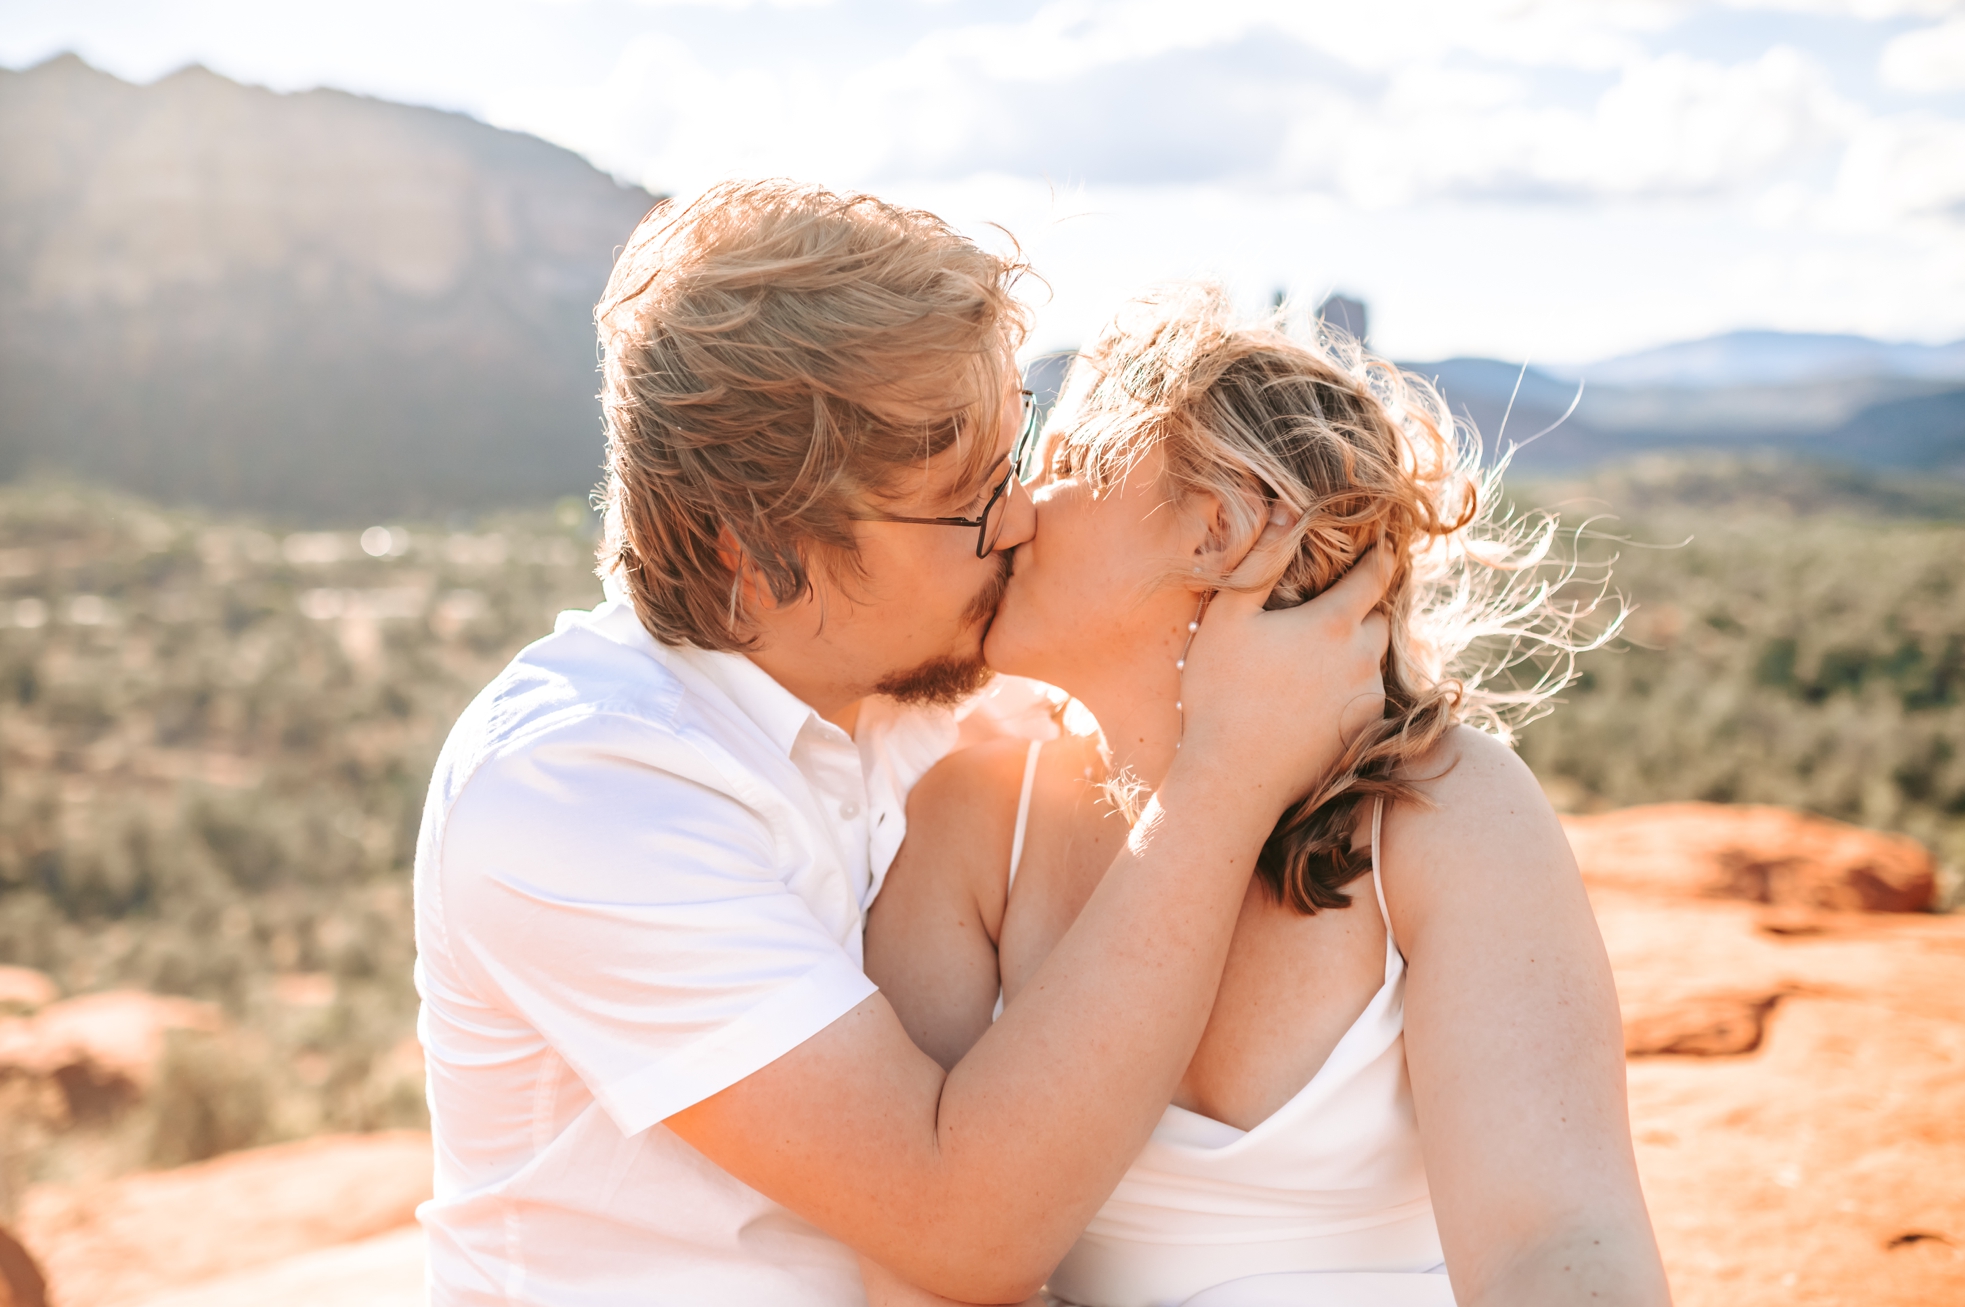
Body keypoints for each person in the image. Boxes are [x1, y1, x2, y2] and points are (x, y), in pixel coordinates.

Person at [410, 183, 1392, 1306]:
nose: (1017, 520)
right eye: (966, 502)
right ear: (756, 554)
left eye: (1012, 461)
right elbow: (963, 1226)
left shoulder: (918, 688)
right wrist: (1226, 773)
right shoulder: (579, 788)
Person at [864, 284, 1671, 1307]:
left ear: (1216, 529)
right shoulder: (973, 823)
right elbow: (917, 1251)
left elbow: (1556, 1242)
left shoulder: (1444, 811)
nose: (1013, 511)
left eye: (1064, 467)